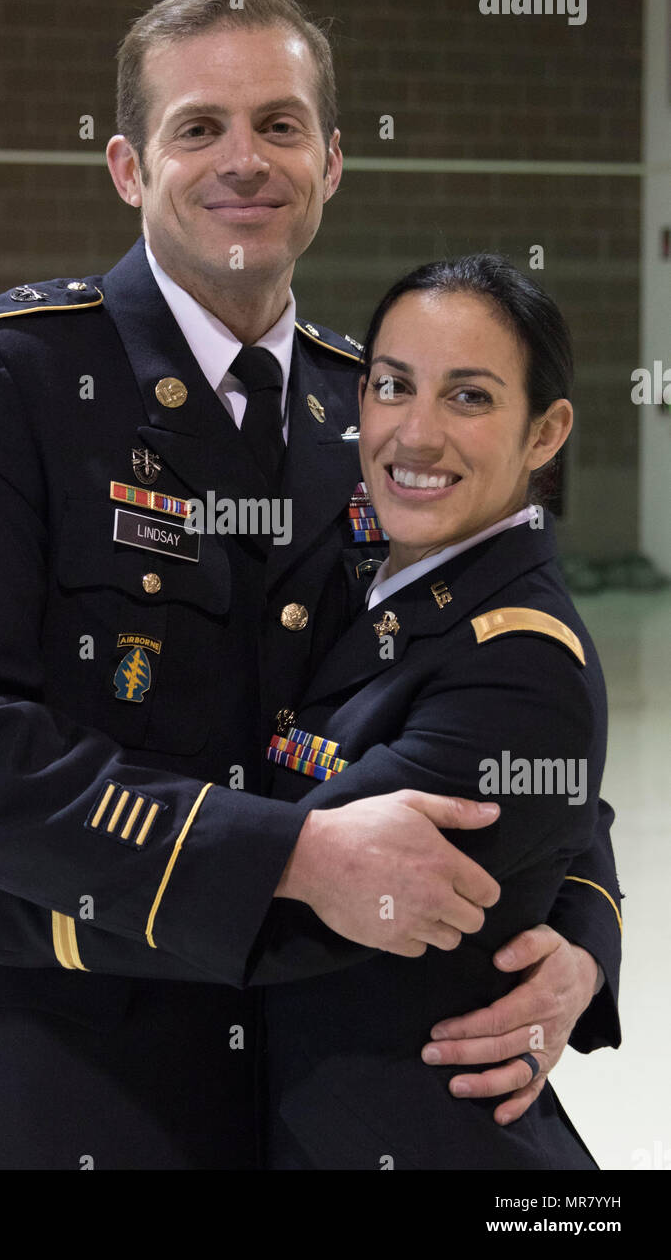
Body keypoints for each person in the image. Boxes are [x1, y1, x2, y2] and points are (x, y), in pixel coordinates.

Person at [0, 0, 620, 1171]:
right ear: (126, 166)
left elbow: (498, 668)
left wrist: (575, 928)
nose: (242, 161)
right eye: (198, 127)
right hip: (65, 1048)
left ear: (333, 161)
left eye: (279, 125)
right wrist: (297, 856)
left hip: (318, 1064)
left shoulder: (369, 402)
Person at [256, 255, 619, 1168]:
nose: (416, 434)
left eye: (470, 397)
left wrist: (14, 876)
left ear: (547, 432)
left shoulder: (516, 664)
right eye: (394, 386)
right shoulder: (381, 558)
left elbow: (274, 912)